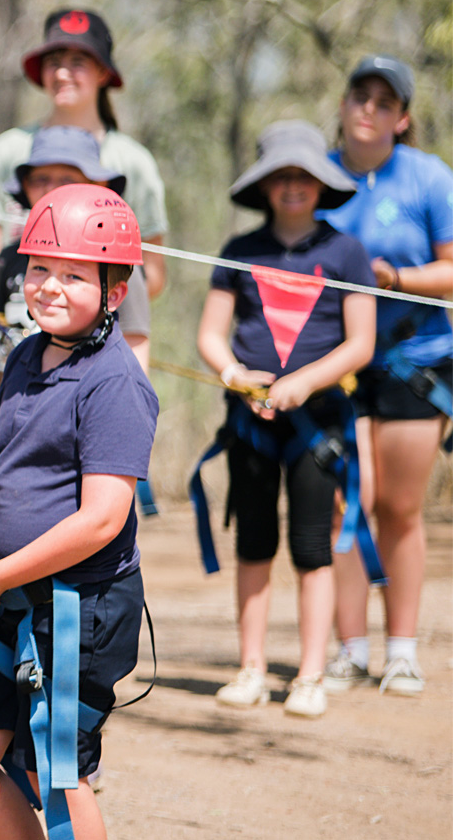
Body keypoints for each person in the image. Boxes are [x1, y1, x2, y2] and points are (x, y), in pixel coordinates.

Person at [0, 184, 153, 840]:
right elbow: (2, 467)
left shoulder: (115, 384)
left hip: (80, 607)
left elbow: (101, 520)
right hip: (5, 592)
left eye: (74, 274)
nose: (49, 286)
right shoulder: (25, 356)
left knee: (53, 770)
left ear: (115, 292)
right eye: (38, 269)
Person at [196, 120, 374, 718]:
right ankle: (249, 668)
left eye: (304, 176)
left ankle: (310, 675)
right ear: (264, 186)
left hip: (317, 427)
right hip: (249, 423)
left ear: (322, 184)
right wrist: (236, 376)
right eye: (281, 177)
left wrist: (303, 383)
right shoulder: (238, 253)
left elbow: (361, 343)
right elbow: (211, 336)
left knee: (311, 547)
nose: (293, 186)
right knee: (253, 541)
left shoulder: (346, 252)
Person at [0, 9, 168, 416]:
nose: (63, 73)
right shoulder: (7, 151)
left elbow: (151, 274)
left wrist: (77, 311)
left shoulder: (132, 163)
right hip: (11, 360)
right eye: (53, 62)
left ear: (104, 73)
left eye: (78, 62)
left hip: (98, 367)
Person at [314, 56, 452, 698]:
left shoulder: (429, 179)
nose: (367, 108)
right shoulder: (317, 177)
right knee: (348, 507)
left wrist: (393, 278)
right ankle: (349, 650)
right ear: (342, 106)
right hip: (338, 363)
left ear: (402, 119)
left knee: (399, 507)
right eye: (357, 95)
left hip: (414, 364)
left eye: (382, 101)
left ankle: (401, 652)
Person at [0, 126, 133, 511]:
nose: (52, 188)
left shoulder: (114, 262)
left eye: (67, 178)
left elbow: (135, 349)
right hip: (12, 429)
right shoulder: (9, 258)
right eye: (41, 178)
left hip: (81, 440)